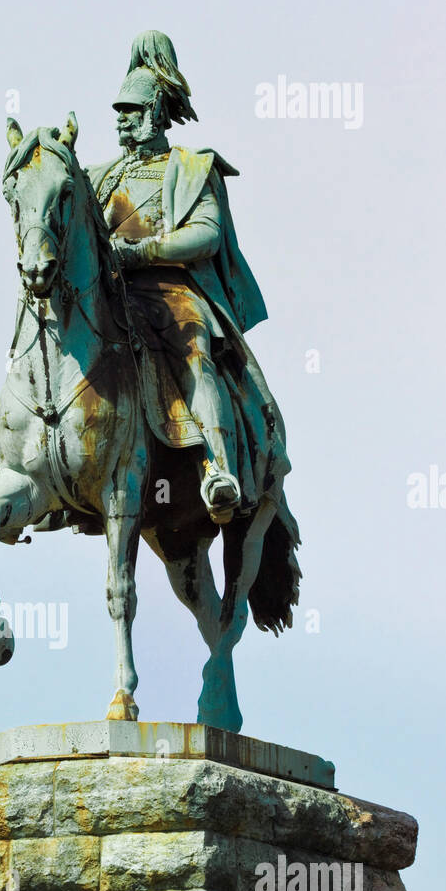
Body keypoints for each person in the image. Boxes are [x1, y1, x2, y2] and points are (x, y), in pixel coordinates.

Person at [87, 31, 290, 523]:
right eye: (118, 111)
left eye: (132, 110)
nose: (121, 120)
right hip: (109, 295)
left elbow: (206, 233)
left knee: (194, 349)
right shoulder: (97, 176)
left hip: (171, 290)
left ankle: (217, 466)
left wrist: (143, 251)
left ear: (157, 111)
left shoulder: (193, 169)